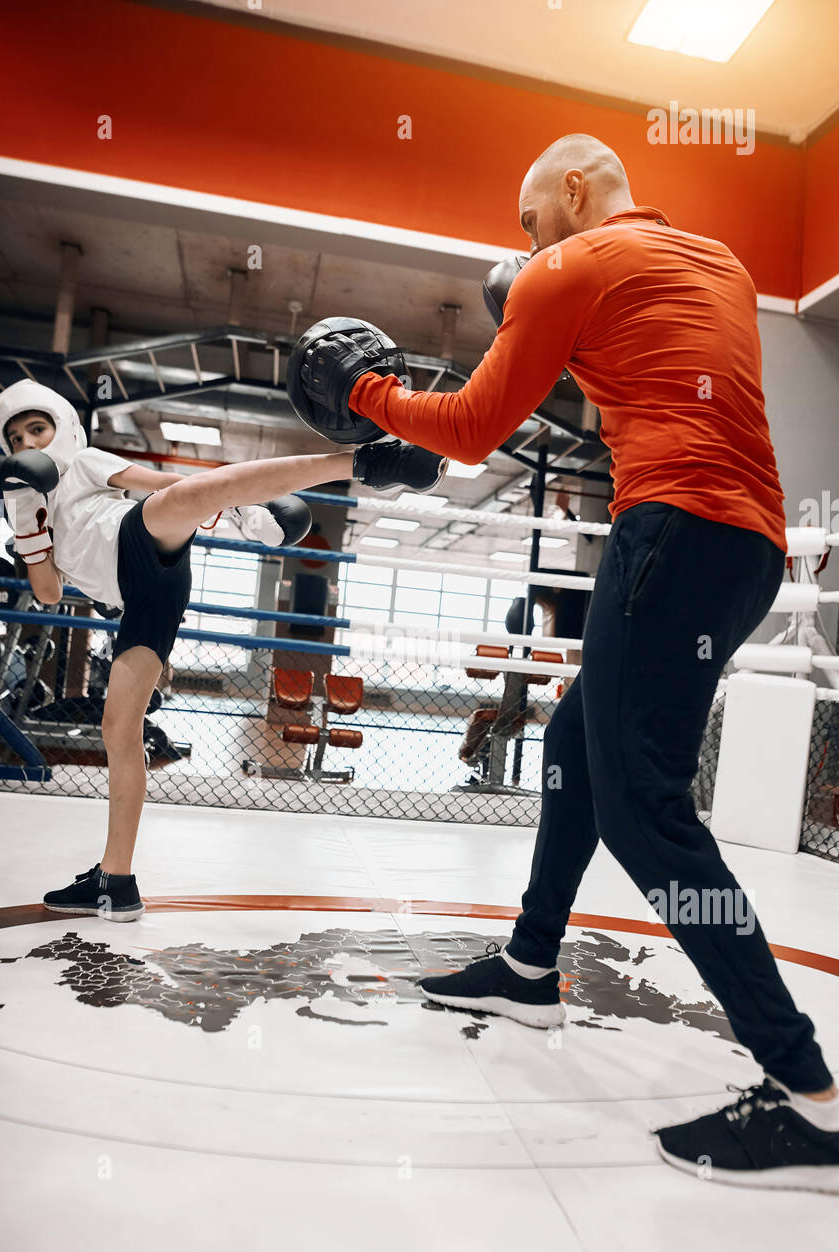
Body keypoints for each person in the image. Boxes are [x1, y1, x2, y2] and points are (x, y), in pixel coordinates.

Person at [305, 133, 838, 1191]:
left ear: (577, 189)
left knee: (645, 813)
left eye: (529, 218)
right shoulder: (716, 262)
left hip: (672, 536)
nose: (524, 244)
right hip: (740, 550)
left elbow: (467, 425)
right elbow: (630, 396)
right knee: (572, 740)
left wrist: (366, 391)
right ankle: (527, 965)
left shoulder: (570, 264)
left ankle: (810, 1097)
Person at [0, 379, 445, 923]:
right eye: (15, 437)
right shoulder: (28, 496)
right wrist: (25, 517)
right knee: (119, 729)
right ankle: (115, 880)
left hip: (136, 539)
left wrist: (232, 505)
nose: (27, 444)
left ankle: (365, 463)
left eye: (36, 429)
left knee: (185, 499)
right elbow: (47, 592)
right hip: (139, 597)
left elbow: (163, 484)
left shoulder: (85, 460)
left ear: (61, 428)